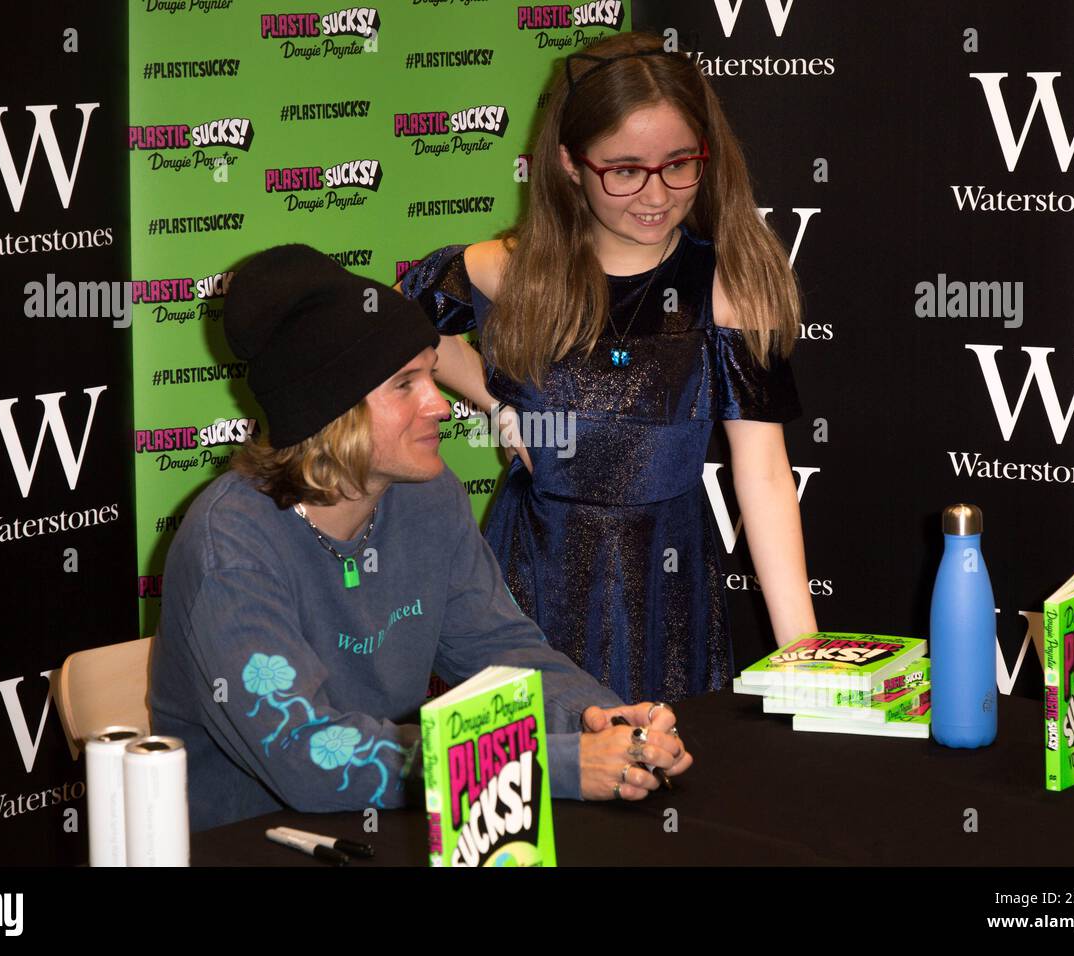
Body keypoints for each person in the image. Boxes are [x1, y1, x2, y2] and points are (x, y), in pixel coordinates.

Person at [148, 243, 692, 833]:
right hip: (252, 845)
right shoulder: (230, 545)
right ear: (330, 415)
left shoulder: (427, 497)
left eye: (431, 374)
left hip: (390, 824)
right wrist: (551, 765)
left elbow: (500, 650)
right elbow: (306, 756)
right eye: (405, 384)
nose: (441, 404)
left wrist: (597, 718)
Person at [399, 31, 819, 705]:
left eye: (680, 164)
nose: (656, 195)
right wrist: (499, 402)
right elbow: (397, 331)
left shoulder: (726, 282)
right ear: (570, 162)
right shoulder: (515, 271)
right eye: (624, 170)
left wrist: (804, 658)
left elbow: (764, 472)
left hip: (668, 583)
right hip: (531, 574)